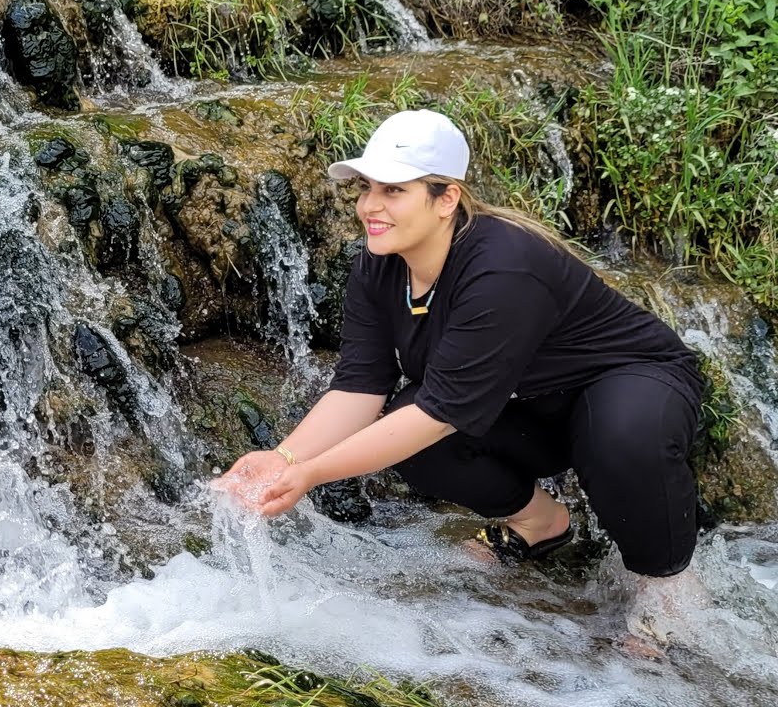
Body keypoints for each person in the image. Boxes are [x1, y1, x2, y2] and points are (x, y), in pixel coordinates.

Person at [215, 109, 705, 582]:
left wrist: (312, 475)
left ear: (446, 198)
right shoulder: (378, 265)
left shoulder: (503, 266)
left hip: (628, 380)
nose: (369, 206)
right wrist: (285, 459)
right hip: (527, 406)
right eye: (367, 188)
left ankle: (666, 585)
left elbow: (441, 411)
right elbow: (361, 385)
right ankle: (541, 523)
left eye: (393, 190)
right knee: (408, 434)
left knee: (621, 438)